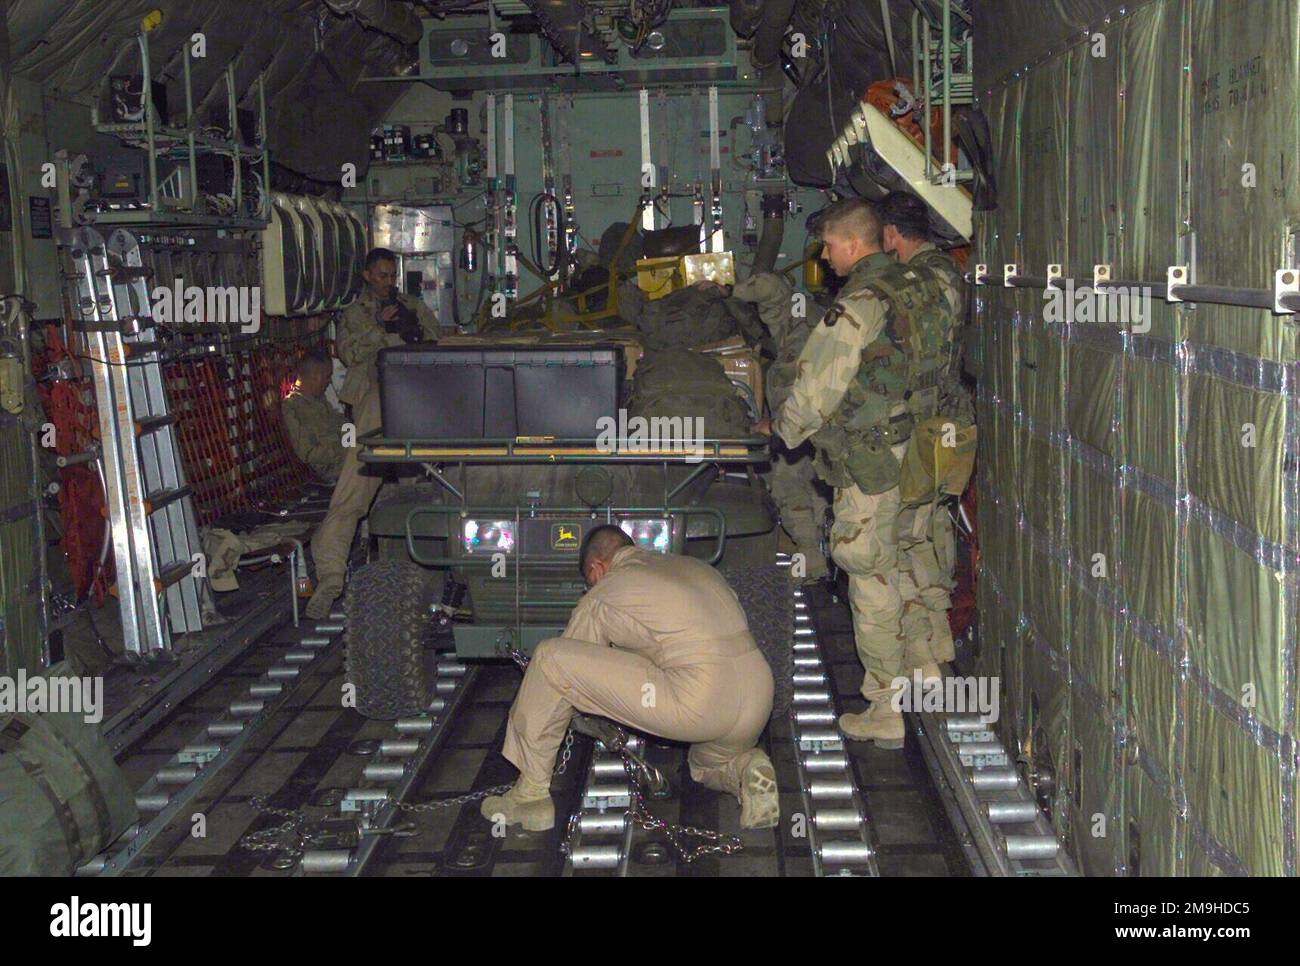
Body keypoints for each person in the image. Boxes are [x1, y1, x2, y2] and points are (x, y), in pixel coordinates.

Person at [752, 197, 959, 747]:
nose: (824, 255)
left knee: (869, 572)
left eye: (828, 245)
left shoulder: (860, 304)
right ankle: (926, 667)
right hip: (926, 450)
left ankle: (885, 707)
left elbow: (819, 386)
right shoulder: (929, 286)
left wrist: (783, 430)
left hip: (873, 461)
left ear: (853, 243)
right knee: (913, 553)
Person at [482, 525, 779, 831]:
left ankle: (530, 797)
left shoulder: (605, 591)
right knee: (705, 766)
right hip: (758, 696)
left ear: (597, 568)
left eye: (589, 581)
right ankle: (745, 768)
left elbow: (570, 669)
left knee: (549, 659)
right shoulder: (690, 566)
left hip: (699, 701)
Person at [304, 248, 439, 620]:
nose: (388, 281)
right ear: (366, 275)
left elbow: (437, 339)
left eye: (391, 275)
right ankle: (331, 577)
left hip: (420, 399)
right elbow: (348, 352)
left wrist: (414, 329)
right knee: (353, 490)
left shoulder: (411, 304)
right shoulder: (355, 313)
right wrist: (380, 326)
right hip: (376, 401)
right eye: (380, 275)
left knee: (424, 490)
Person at [874, 191, 973, 682]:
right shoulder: (951, 274)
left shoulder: (906, 284)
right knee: (933, 523)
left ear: (891, 234)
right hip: (954, 419)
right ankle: (939, 634)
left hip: (919, 423)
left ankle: (923, 650)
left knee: (904, 534)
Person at [732, 271, 831, 582]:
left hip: (800, 425)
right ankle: (817, 558)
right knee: (812, 486)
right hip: (810, 425)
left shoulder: (799, 319)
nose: (767, 317)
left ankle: (812, 562)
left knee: (790, 484)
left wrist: (725, 289)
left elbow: (766, 287)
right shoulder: (805, 320)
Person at [282, 349, 347, 482]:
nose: (329, 382)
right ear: (315, 376)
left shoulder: (319, 401)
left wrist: (350, 445)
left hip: (344, 459)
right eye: (327, 376)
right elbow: (308, 454)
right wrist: (343, 449)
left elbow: (345, 424)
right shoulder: (294, 407)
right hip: (330, 470)